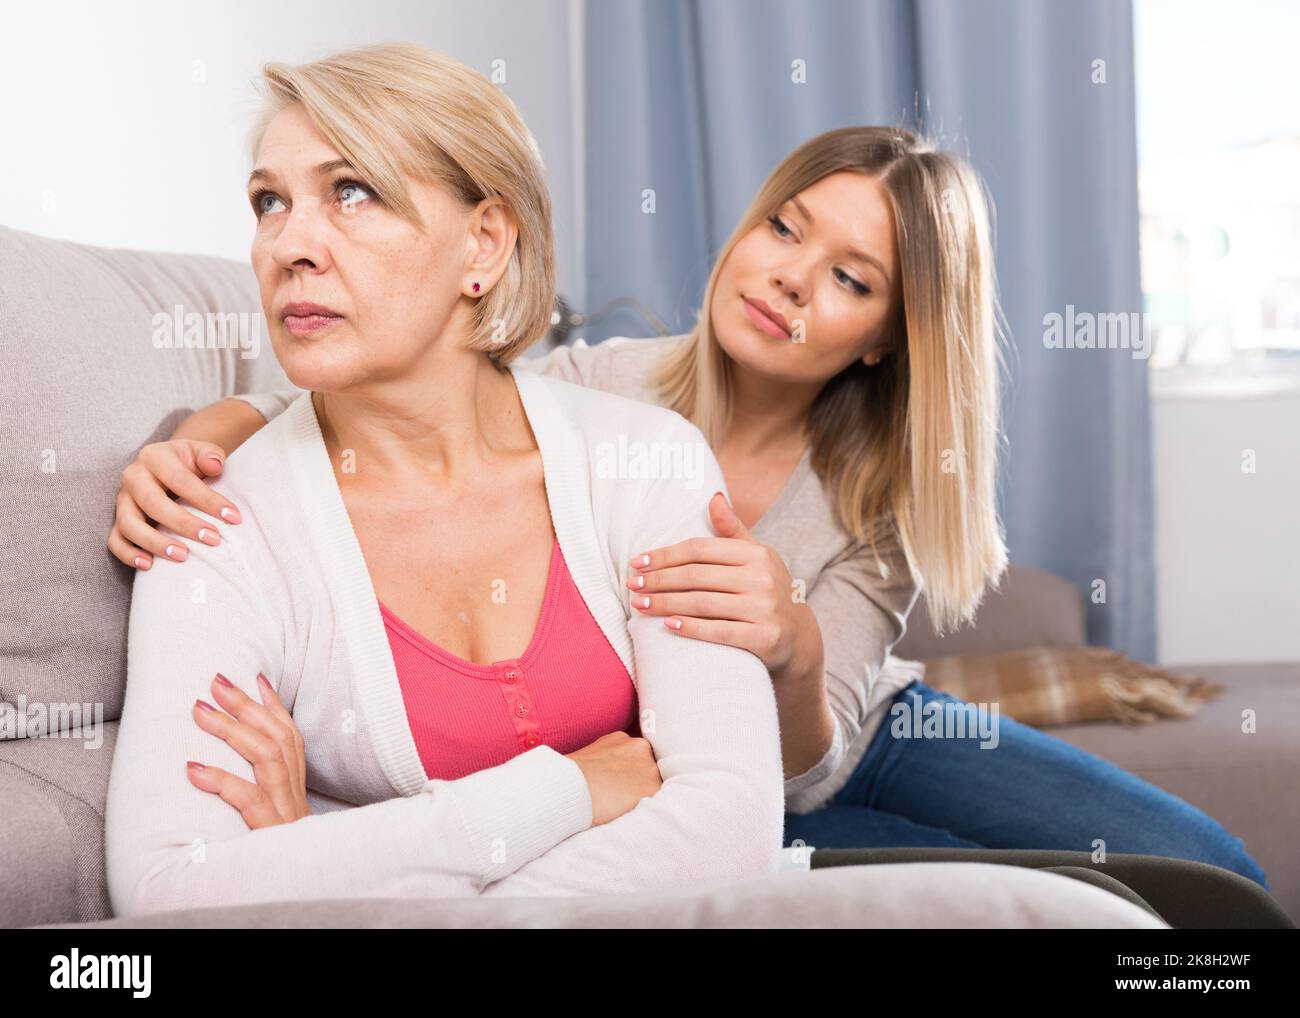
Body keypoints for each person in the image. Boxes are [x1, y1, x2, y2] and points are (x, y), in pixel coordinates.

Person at [107, 95, 1271, 907]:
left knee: (1199, 869)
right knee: (1029, 895)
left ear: (885, 340)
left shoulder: (880, 489)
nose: (785, 278)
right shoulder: (592, 388)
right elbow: (399, 409)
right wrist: (207, 431)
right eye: (782, 226)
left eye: (849, 279)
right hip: (682, 775)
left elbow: (803, 773)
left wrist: (796, 648)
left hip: (838, 744)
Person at [103, 42, 789, 917]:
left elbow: (729, 835)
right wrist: (563, 792)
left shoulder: (644, 462)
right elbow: (170, 894)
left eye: (351, 191)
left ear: (486, 242)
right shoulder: (208, 520)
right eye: (269, 202)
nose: (289, 245)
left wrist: (321, 859)